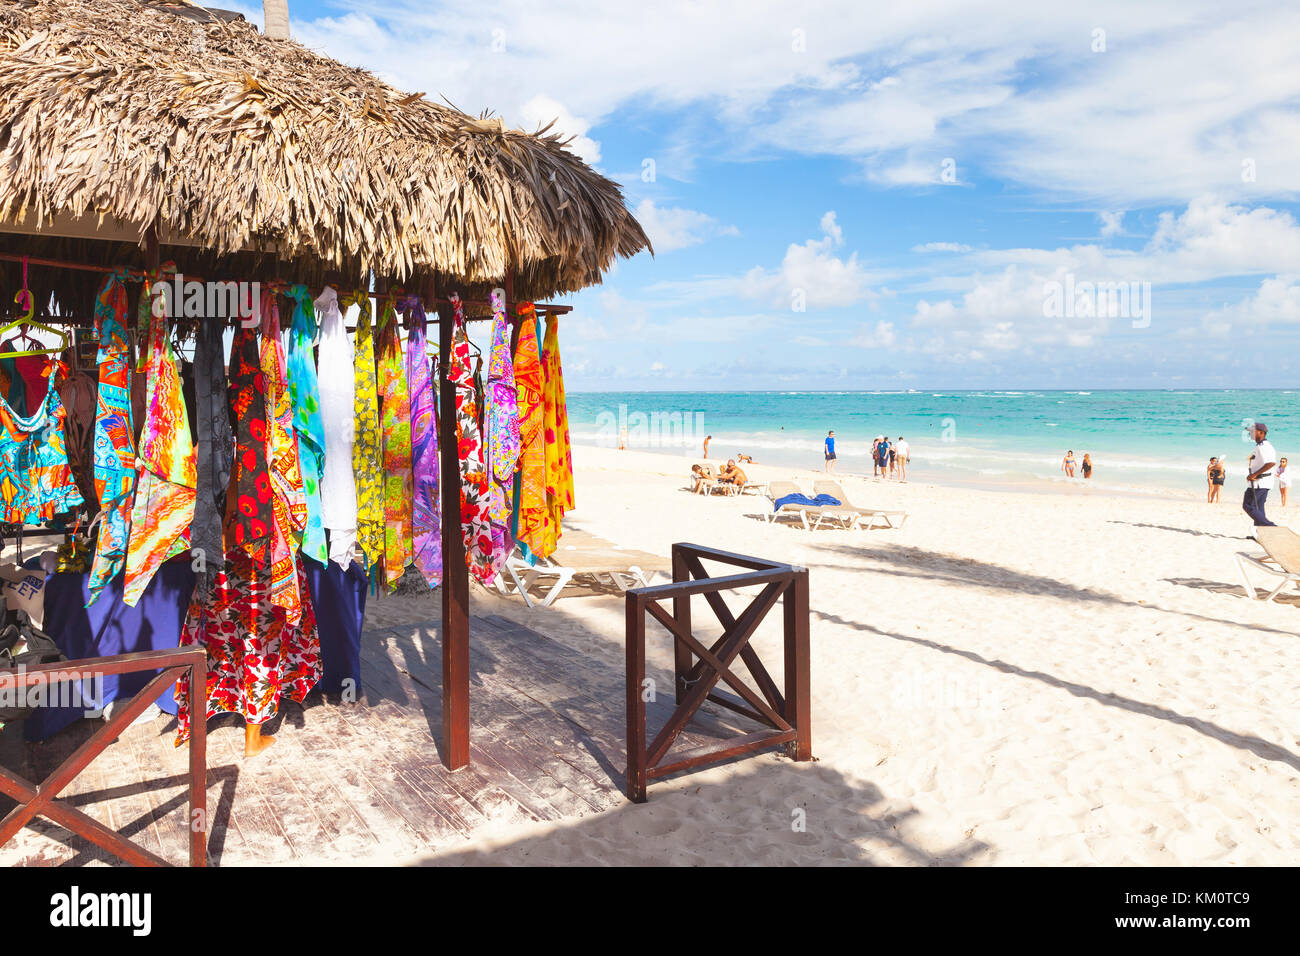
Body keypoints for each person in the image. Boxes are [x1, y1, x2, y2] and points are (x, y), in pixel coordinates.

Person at [1243, 422, 1277, 527]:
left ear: (1261, 433)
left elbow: (1271, 463)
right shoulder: (1260, 446)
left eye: (1253, 431)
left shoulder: (1264, 446)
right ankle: (1260, 532)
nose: (1250, 434)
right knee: (1258, 508)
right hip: (1260, 482)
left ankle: (1270, 526)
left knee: (1248, 505)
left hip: (1260, 482)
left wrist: (1254, 474)